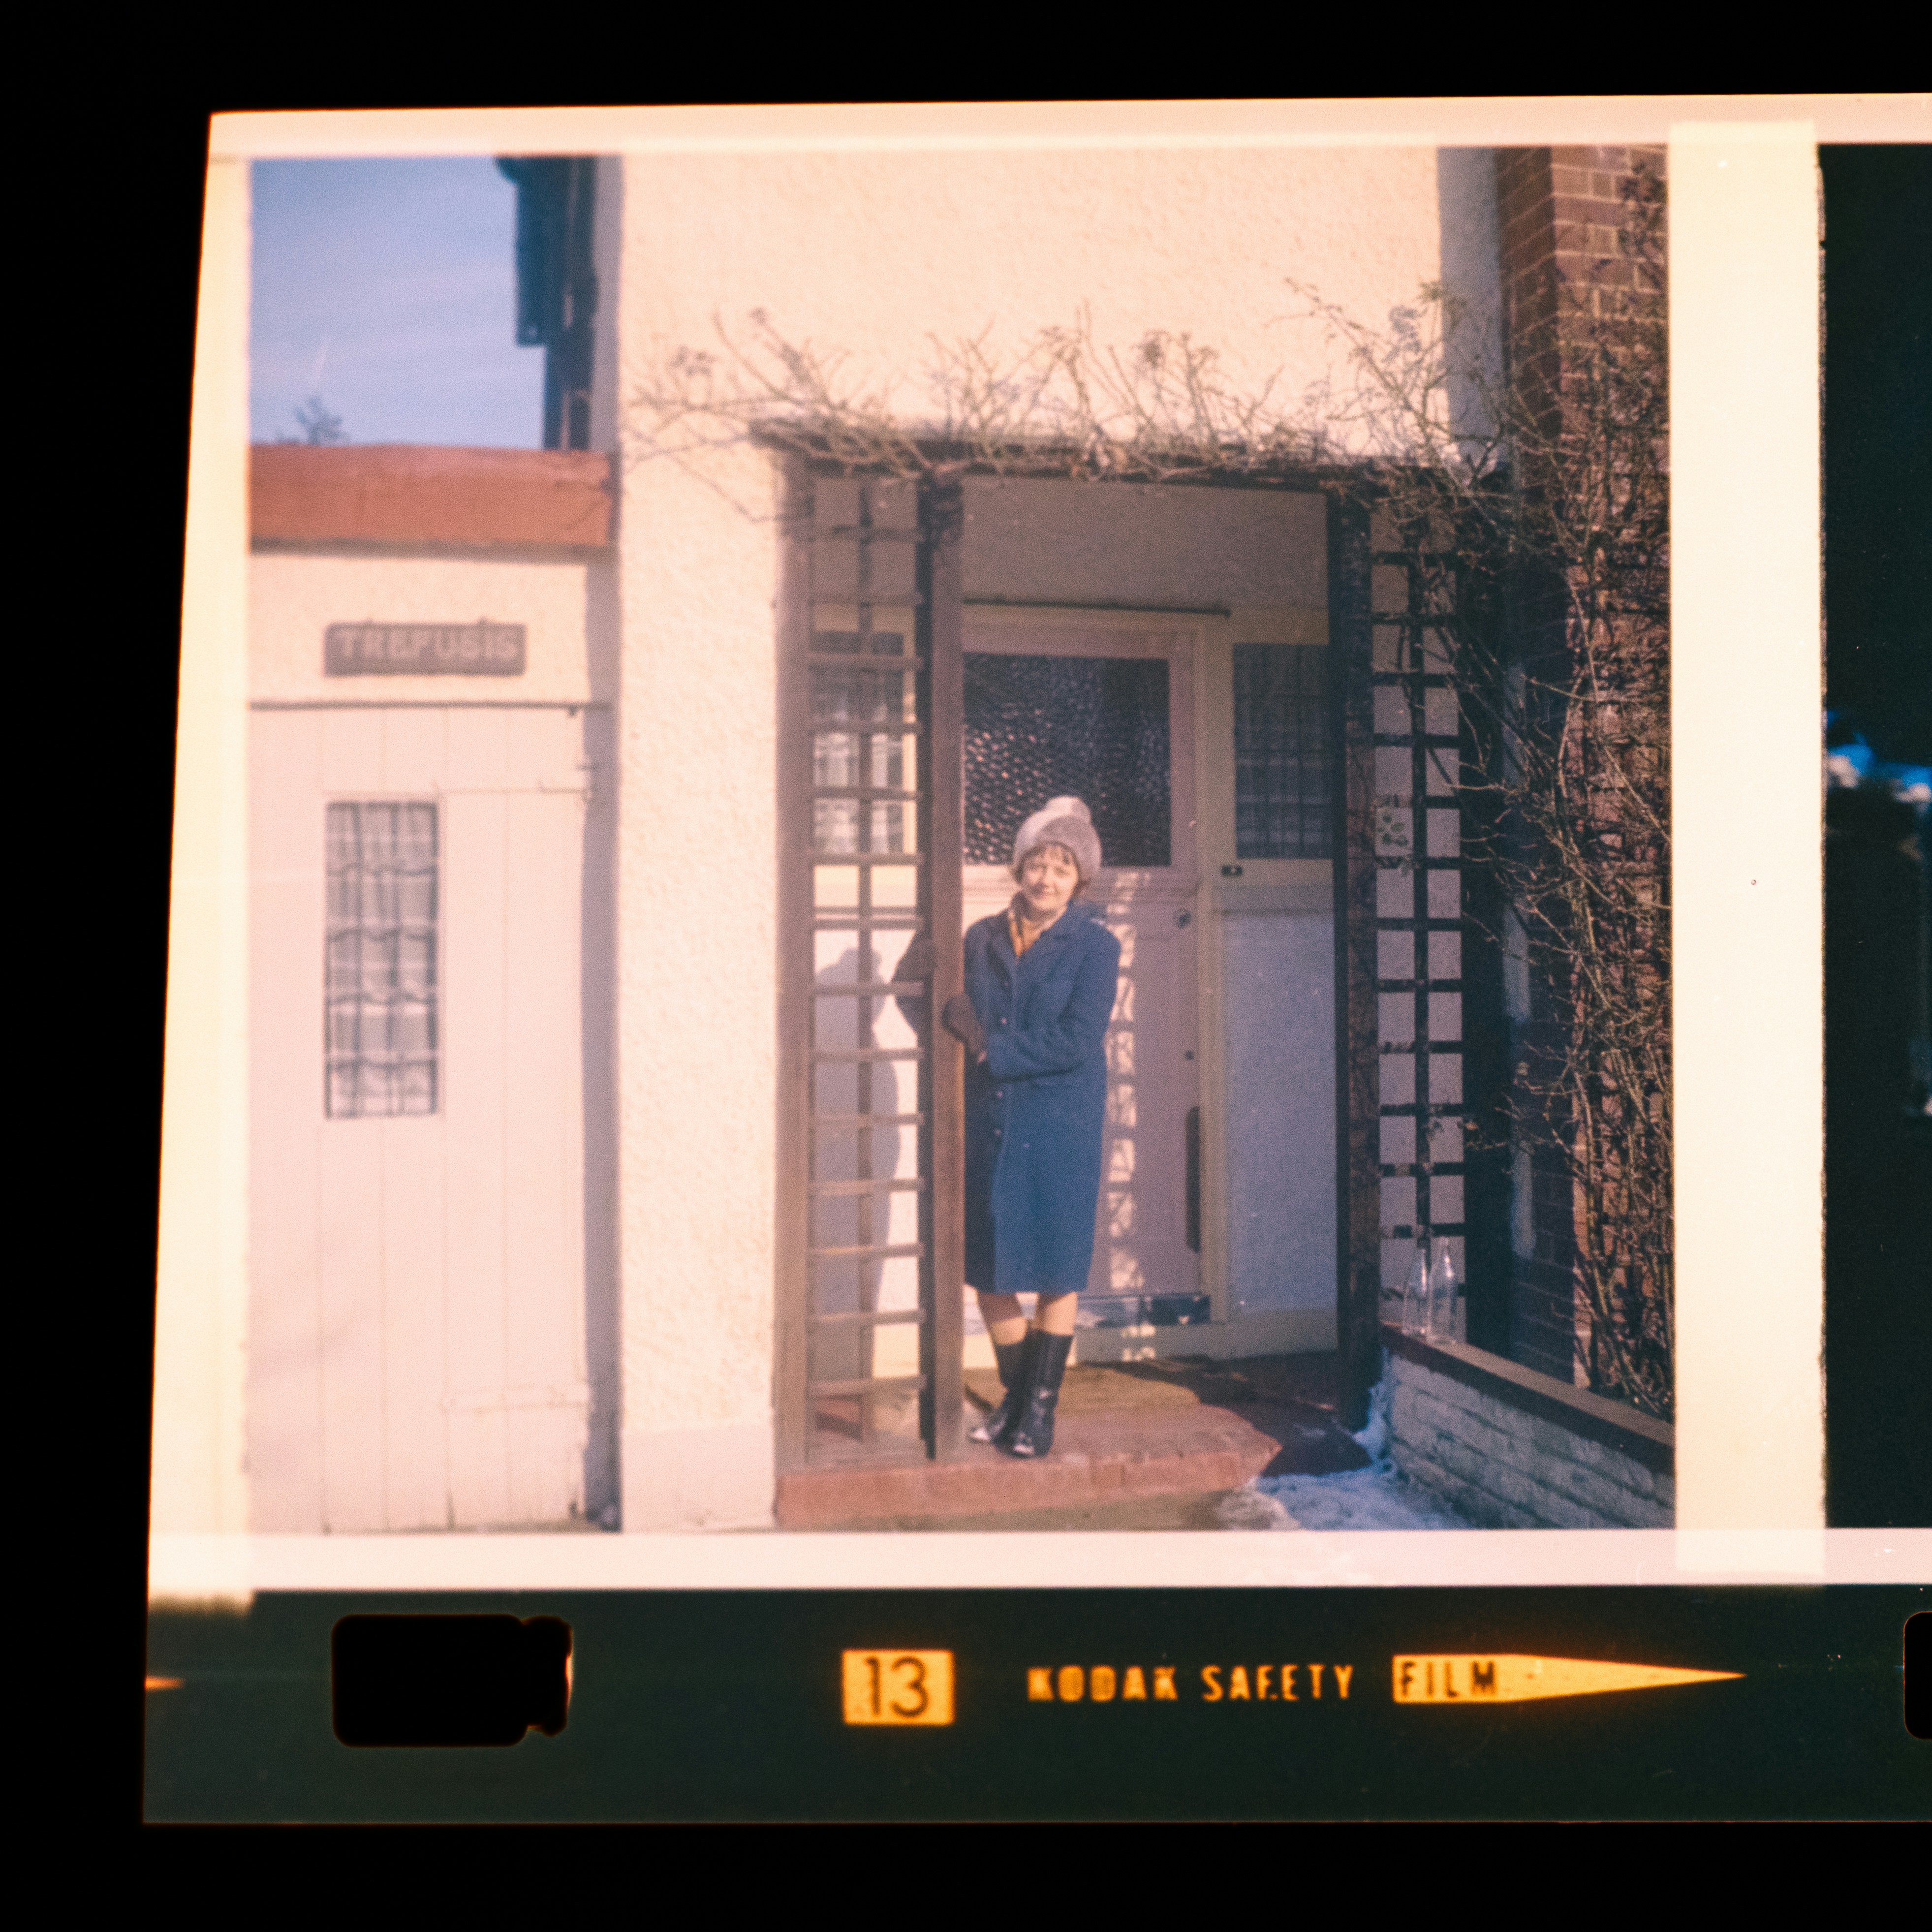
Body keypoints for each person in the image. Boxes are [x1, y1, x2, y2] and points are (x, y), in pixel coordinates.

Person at [898, 797, 1122, 1458]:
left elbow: (1078, 1038)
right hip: (992, 1120)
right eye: (1036, 864)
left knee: (1055, 1268)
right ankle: (1019, 1401)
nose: (1046, 878)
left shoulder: (1096, 945)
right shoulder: (980, 937)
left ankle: (1037, 1414)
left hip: (1060, 1121)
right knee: (990, 1270)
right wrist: (929, 994)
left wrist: (992, 1050)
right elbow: (938, 1004)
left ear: (1078, 880)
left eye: (1060, 867)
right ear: (1017, 868)